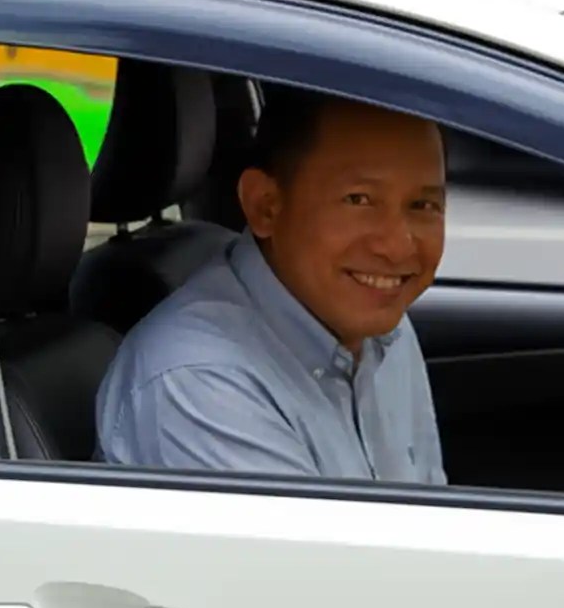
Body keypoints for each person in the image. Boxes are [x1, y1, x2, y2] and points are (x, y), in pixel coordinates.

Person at [94, 88, 448, 485]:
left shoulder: (385, 329)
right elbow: (319, 550)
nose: (398, 245)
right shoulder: (200, 382)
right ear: (266, 206)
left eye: (423, 206)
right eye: (359, 200)